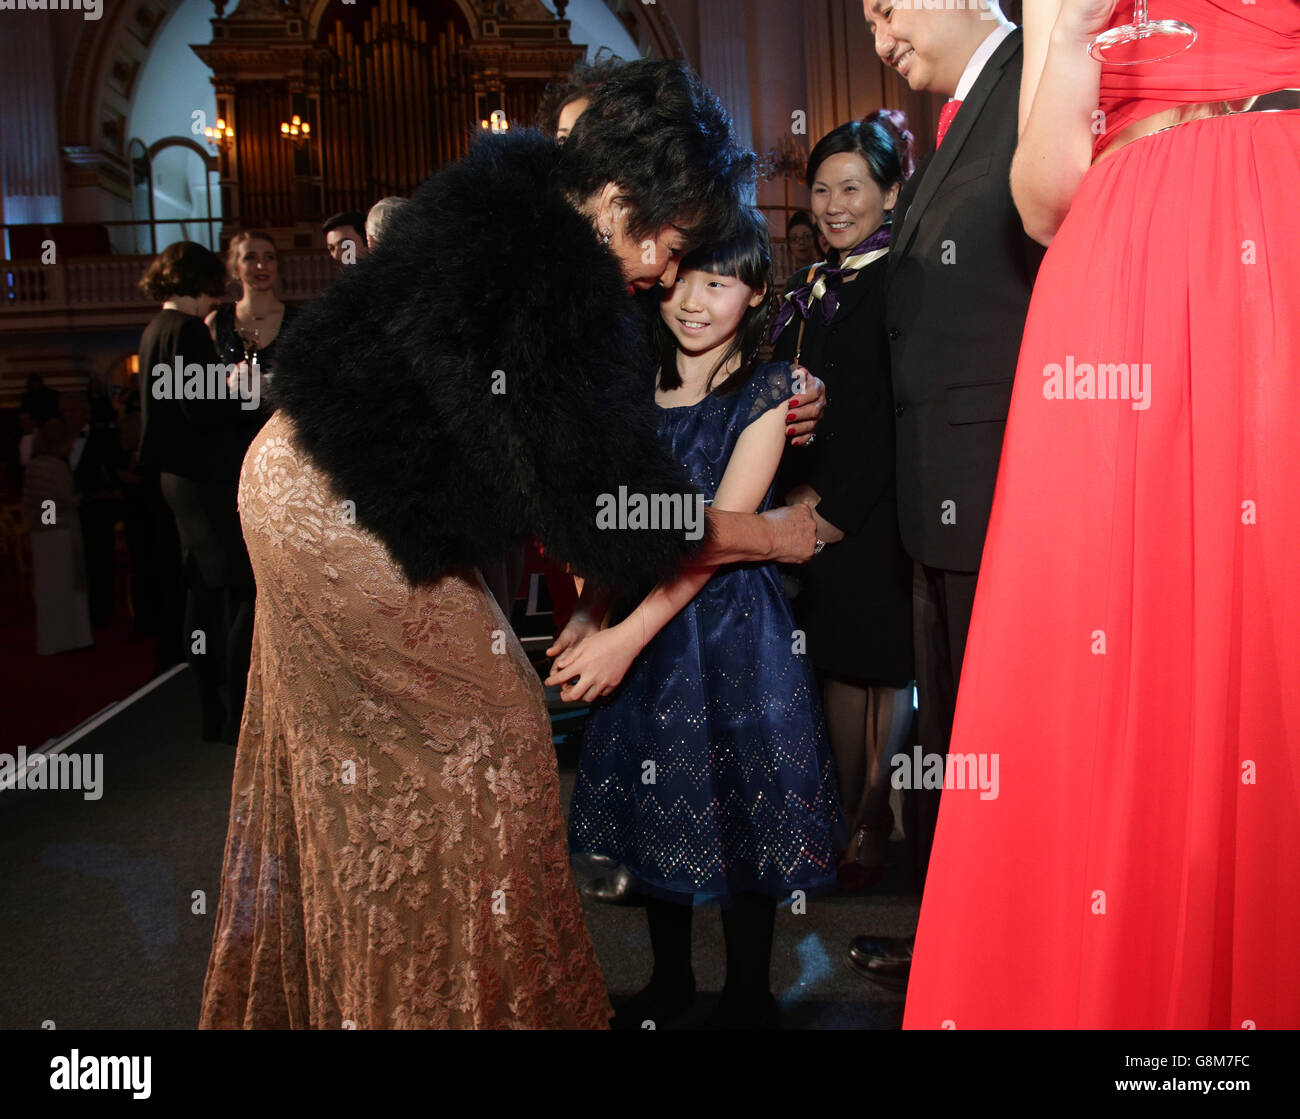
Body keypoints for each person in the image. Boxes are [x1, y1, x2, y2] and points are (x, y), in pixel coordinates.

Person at [198, 59, 826, 1031]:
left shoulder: (511, 187)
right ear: (619, 197)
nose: (664, 270)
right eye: (666, 239)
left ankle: (373, 998)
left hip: (286, 476)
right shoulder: (564, 284)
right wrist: (770, 532)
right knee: (495, 751)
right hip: (344, 516)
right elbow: (620, 516)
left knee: (356, 770)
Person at [903, 0, 1300, 1029]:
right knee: (1113, 627)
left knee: (1272, 606)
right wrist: (1072, 35)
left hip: (1280, 229)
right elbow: (1040, 204)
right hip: (1116, 269)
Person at [555, 207, 840, 1030]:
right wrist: (588, 608)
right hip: (644, 623)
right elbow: (618, 523)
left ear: (755, 294)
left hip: (726, 631)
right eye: (682, 279)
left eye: (719, 283)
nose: (692, 301)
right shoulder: (632, 390)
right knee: (660, 806)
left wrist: (622, 634)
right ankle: (672, 978)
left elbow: (713, 535)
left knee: (740, 805)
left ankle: (750, 988)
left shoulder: (770, 389)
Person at [846, 0, 1046, 991]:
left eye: (886, 9)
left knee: (999, 747)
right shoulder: (967, 108)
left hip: (1004, 491)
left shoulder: (1038, 84)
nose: (880, 40)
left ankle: (1006, 958)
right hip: (940, 502)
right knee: (954, 742)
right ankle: (958, 949)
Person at [771, 111, 916, 892]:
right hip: (811, 499)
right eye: (821, 187)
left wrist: (836, 500)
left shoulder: (904, 276)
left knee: (883, 666)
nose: (832, 204)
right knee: (833, 657)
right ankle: (843, 813)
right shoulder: (808, 290)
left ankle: (873, 817)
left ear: (889, 193)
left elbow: (895, 408)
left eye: (851, 187)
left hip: (877, 500)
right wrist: (791, 483)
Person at [137, 241, 251, 742]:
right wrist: (238, 387)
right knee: (245, 589)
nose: (214, 301)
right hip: (204, 479)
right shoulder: (185, 331)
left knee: (201, 596)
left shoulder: (153, 331)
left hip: (174, 480)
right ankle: (237, 712)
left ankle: (210, 709)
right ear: (199, 281)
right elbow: (203, 412)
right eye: (211, 289)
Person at [22, 419, 93, 655]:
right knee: (65, 586)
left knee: (48, 589)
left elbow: (40, 504)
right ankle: (70, 637)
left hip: (42, 534)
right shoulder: (55, 466)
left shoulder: (34, 465)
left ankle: (53, 639)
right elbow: (58, 501)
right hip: (58, 534)